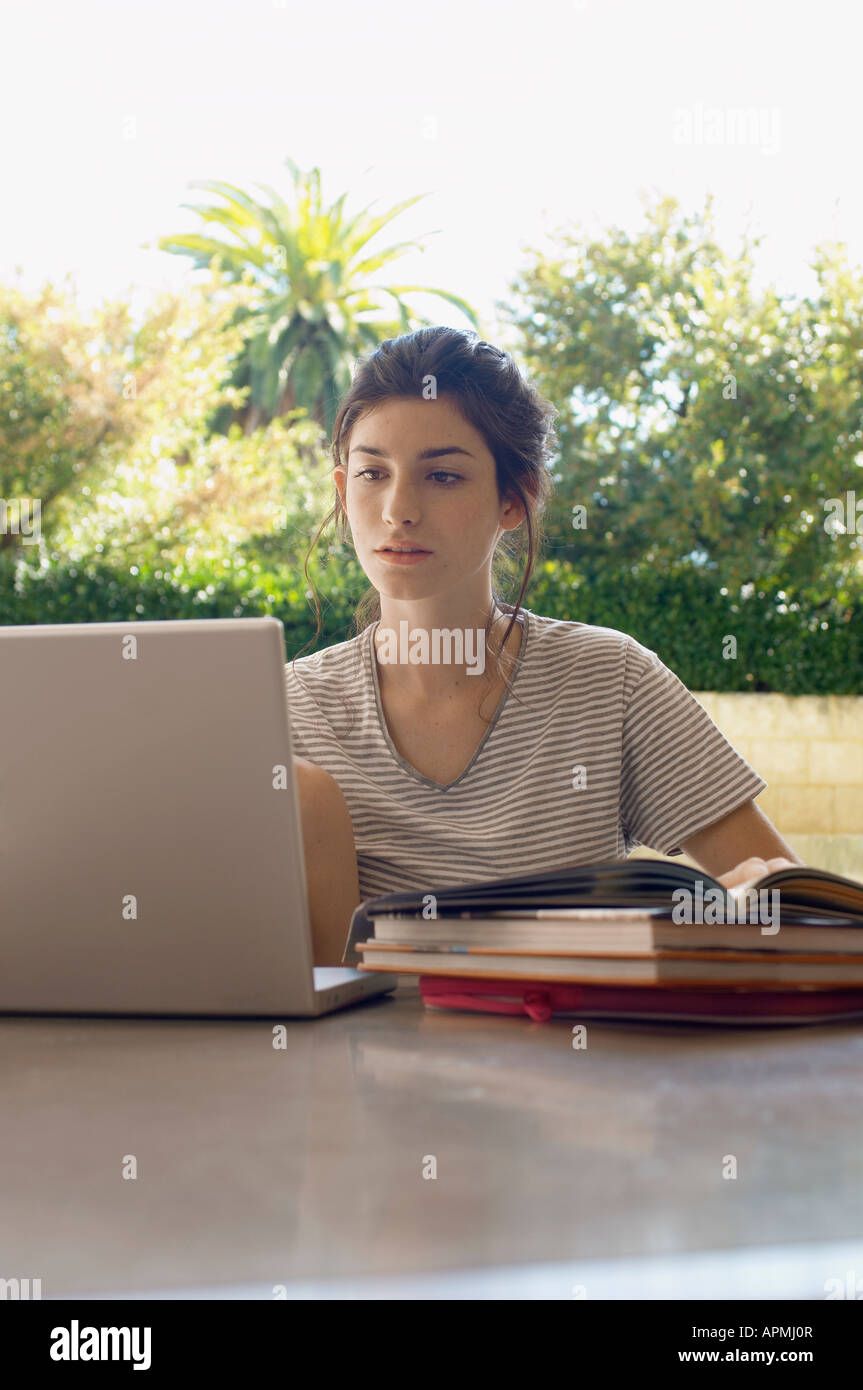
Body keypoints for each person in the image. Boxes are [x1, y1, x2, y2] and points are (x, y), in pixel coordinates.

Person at [286, 327, 800, 966]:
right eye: (372, 473)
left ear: (513, 498)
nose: (398, 509)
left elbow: (787, 897)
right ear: (343, 491)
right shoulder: (284, 710)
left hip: (571, 1056)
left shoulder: (610, 679)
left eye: (442, 475)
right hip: (350, 1064)